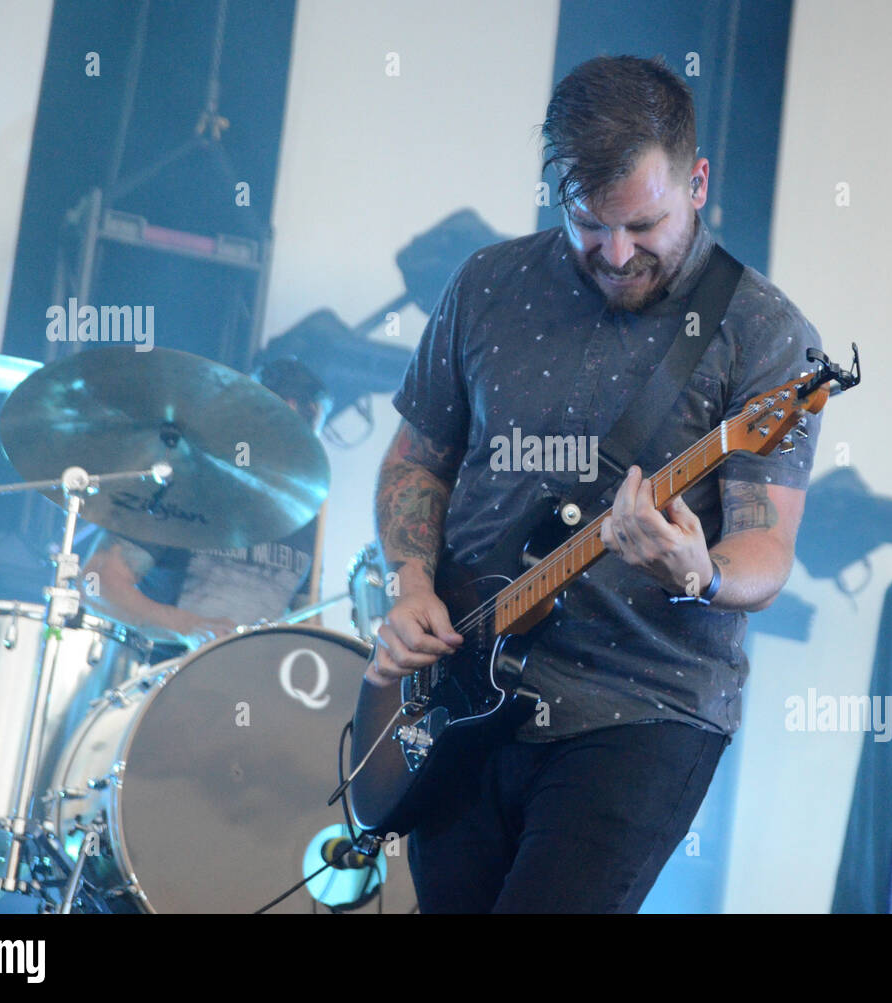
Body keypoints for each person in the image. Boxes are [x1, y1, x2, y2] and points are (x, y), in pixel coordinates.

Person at [367, 55, 824, 913]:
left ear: (697, 182)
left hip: (641, 706)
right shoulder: (486, 283)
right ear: (557, 190)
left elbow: (767, 546)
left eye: (643, 224)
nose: (616, 254)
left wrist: (702, 571)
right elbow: (415, 459)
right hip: (467, 685)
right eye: (589, 223)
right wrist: (411, 583)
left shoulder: (766, 334)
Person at [82, 358, 329, 652]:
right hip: (168, 681)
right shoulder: (182, 487)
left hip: (262, 687)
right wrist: (187, 626)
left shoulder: (307, 515)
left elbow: (307, 624)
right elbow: (97, 584)